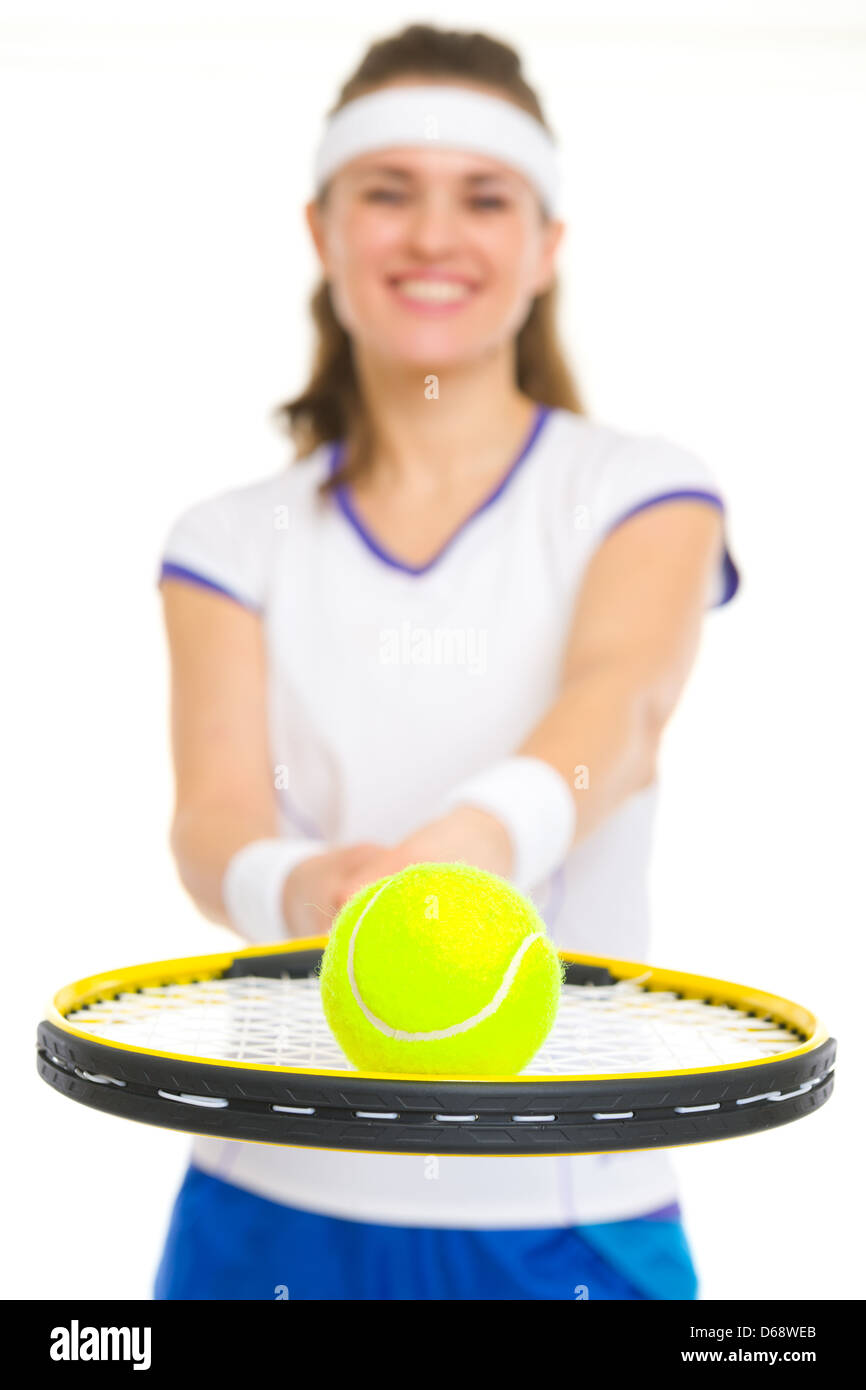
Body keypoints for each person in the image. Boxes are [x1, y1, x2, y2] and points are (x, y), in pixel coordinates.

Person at [154, 22, 738, 1301]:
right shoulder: (222, 539)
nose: (432, 238)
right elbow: (212, 819)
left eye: (483, 198)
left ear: (544, 248)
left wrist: (471, 846)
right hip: (267, 1190)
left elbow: (622, 708)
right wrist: (312, 890)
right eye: (387, 193)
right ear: (321, 230)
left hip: (567, 1203)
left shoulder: (642, 490)